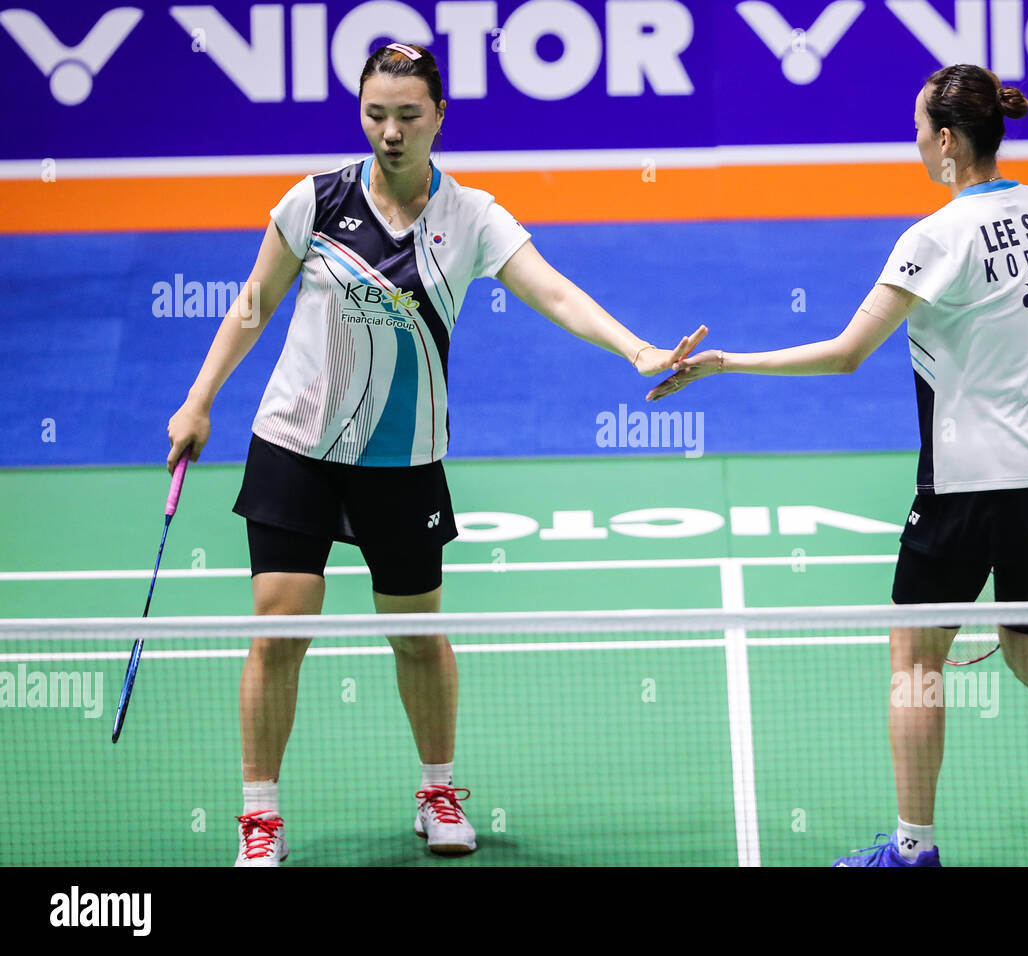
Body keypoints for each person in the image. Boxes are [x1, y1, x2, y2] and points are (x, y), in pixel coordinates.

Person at [648, 64, 1028, 868]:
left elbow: (848, 353)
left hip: (966, 492)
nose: (915, 138)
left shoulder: (935, 237)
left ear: (950, 140)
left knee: (915, 662)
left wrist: (727, 365)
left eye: (921, 125)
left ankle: (912, 848)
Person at [166, 42, 706, 867]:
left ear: (439, 117)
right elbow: (252, 304)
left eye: (408, 115)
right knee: (279, 634)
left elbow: (552, 289)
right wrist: (199, 399)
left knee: (417, 637)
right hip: (295, 446)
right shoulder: (314, 202)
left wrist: (635, 351)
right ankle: (260, 817)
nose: (390, 130)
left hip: (403, 460)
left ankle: (437, 790)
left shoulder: (474, 217)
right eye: (376, 113)